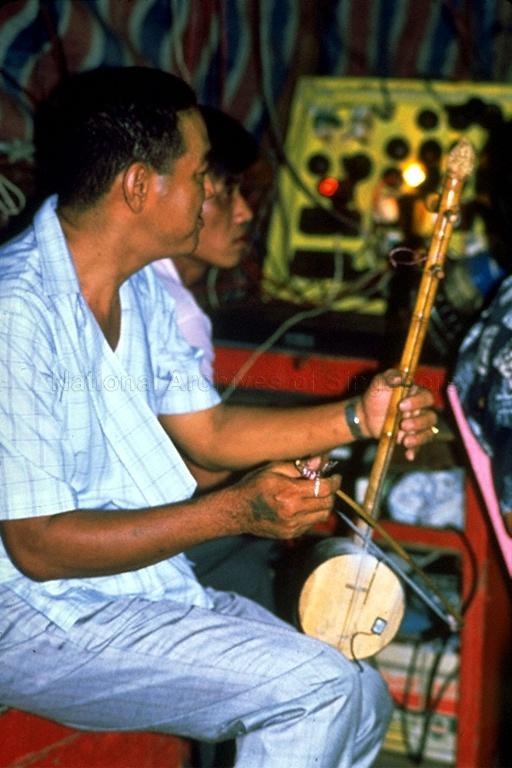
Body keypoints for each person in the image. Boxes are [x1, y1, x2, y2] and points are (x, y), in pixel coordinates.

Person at [0, 66, 437, 768]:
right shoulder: (17, 310)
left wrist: (362, 414)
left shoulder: (137, 288)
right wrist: (235, 513)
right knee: (318, 690)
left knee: (361, 692)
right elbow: (40, 547)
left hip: (123, 591)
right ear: (139, 187)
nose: (213, 193)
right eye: (202, 174)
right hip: (29, 615)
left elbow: (210, 433)